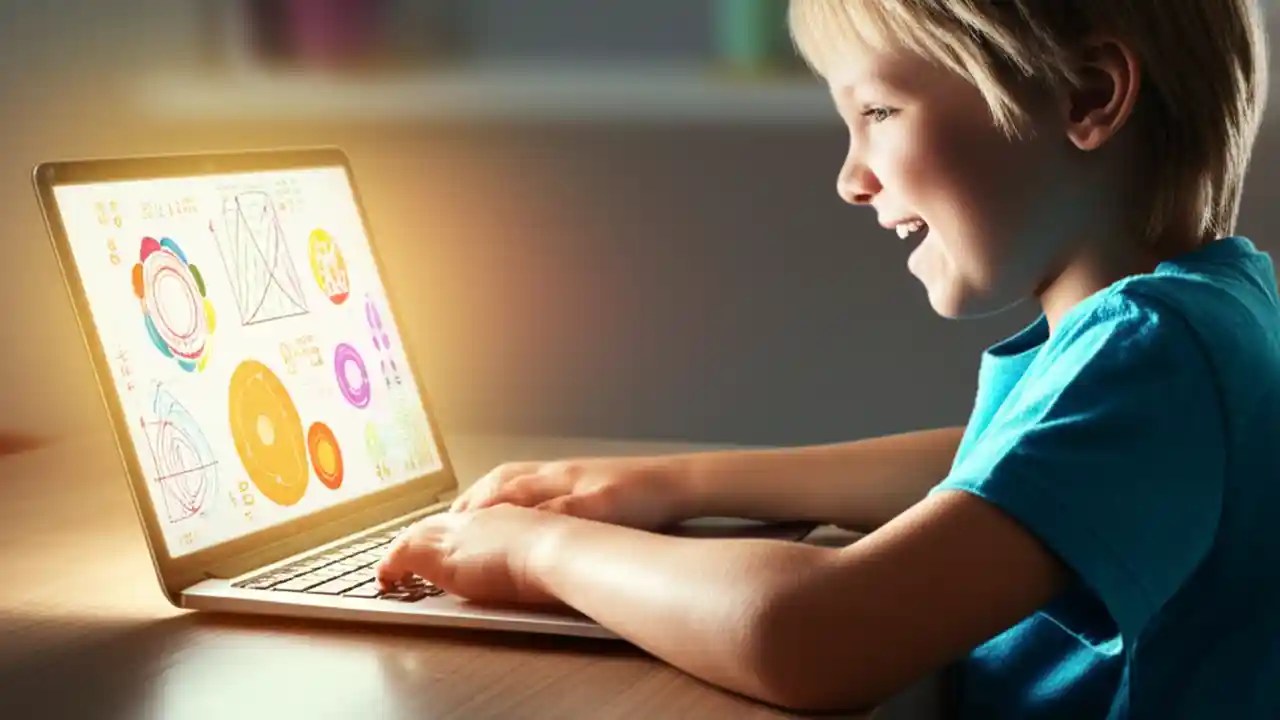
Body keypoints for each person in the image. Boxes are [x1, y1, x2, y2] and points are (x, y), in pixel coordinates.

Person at [378, 1, 1277, 715]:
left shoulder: (1151, 347)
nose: (853, 177)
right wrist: (675, 484)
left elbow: (818, 634)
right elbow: (991, 466)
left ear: (1087, 96)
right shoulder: (1216, 303)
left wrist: (537, 552)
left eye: (879, 110)